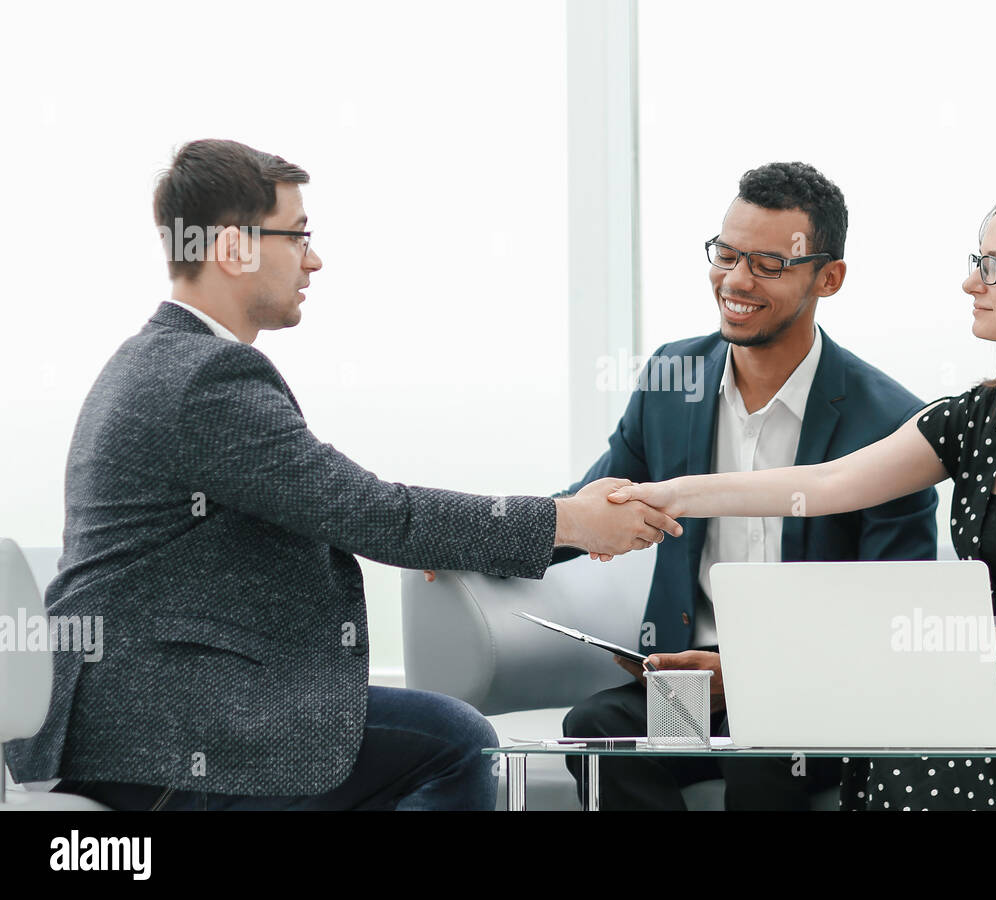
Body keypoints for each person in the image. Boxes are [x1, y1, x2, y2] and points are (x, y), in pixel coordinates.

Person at [3, 139, 680, 810]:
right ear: (234, 248)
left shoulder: (155, 360)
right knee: (455, 745)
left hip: (127, 727)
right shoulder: (205, 378)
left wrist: (494, 539)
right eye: (298, 236)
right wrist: (571, 520)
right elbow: (376, 514)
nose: (315, 259)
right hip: (161, 736)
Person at [605, 188, 996, 810]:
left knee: (944, 779)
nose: (973, 283)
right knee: (905, 771)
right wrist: (673, 494)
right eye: (977, 262)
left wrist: (986, 641)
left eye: (993, 267)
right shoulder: (975, 419)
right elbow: (826, 485)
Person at [550, 162, 938, 809]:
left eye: (765, 264)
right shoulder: (674, 378)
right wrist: (472, 544)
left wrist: (762, 672)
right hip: (690, 688)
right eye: (726, 255)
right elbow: (593, 503)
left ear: (829, 277)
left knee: (765, 756)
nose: (735, 280)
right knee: (595, 732)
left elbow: (894, 613)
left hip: (811, 694)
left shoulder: (891, 425)